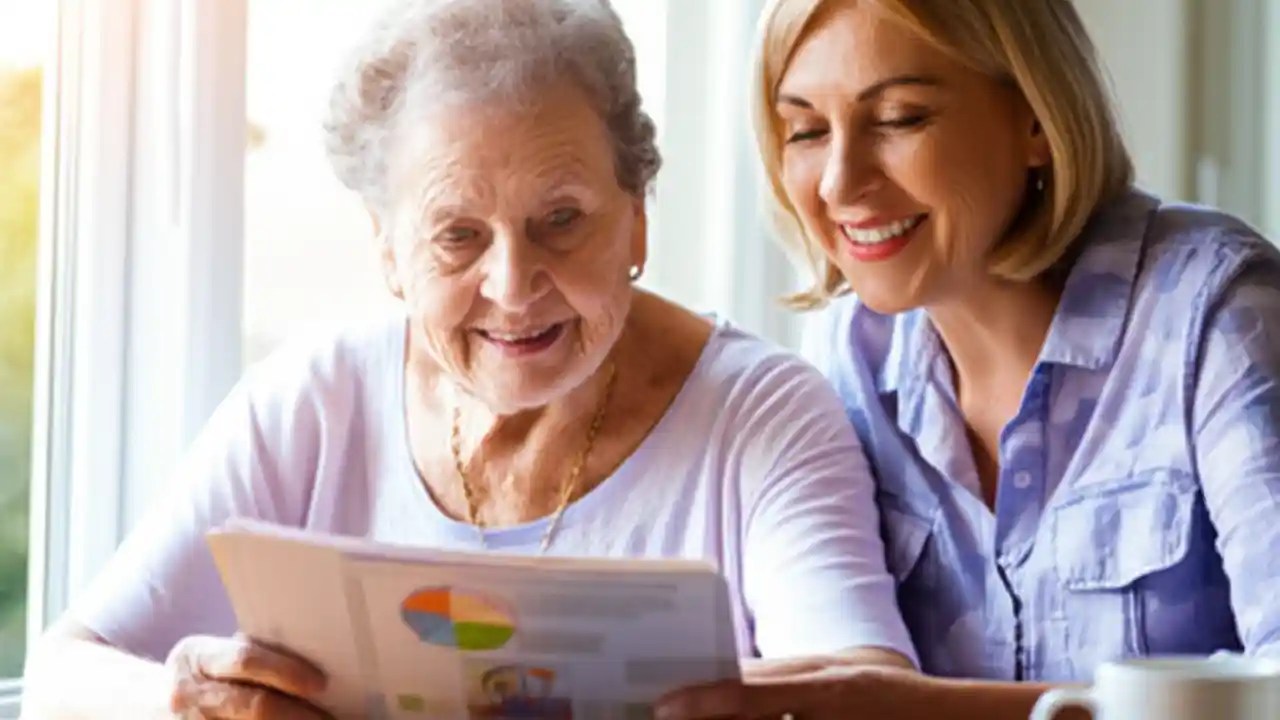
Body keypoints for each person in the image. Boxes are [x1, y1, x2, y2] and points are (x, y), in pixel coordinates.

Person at [21, 1, 920, 718]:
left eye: (561, 219)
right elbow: (61, 676)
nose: (513, 284)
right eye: (456, 234)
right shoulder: (316, 399)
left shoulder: (761, 415)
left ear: (637, 218)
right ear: (386, 249)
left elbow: (864, 691)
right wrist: (183, 702)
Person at [657, 0, 1280, 718]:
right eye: (806, 130)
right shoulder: (852, 354)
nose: (837, 182)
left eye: (898, 119)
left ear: (1037, 121)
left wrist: (912, 706)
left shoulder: (1218, 315)